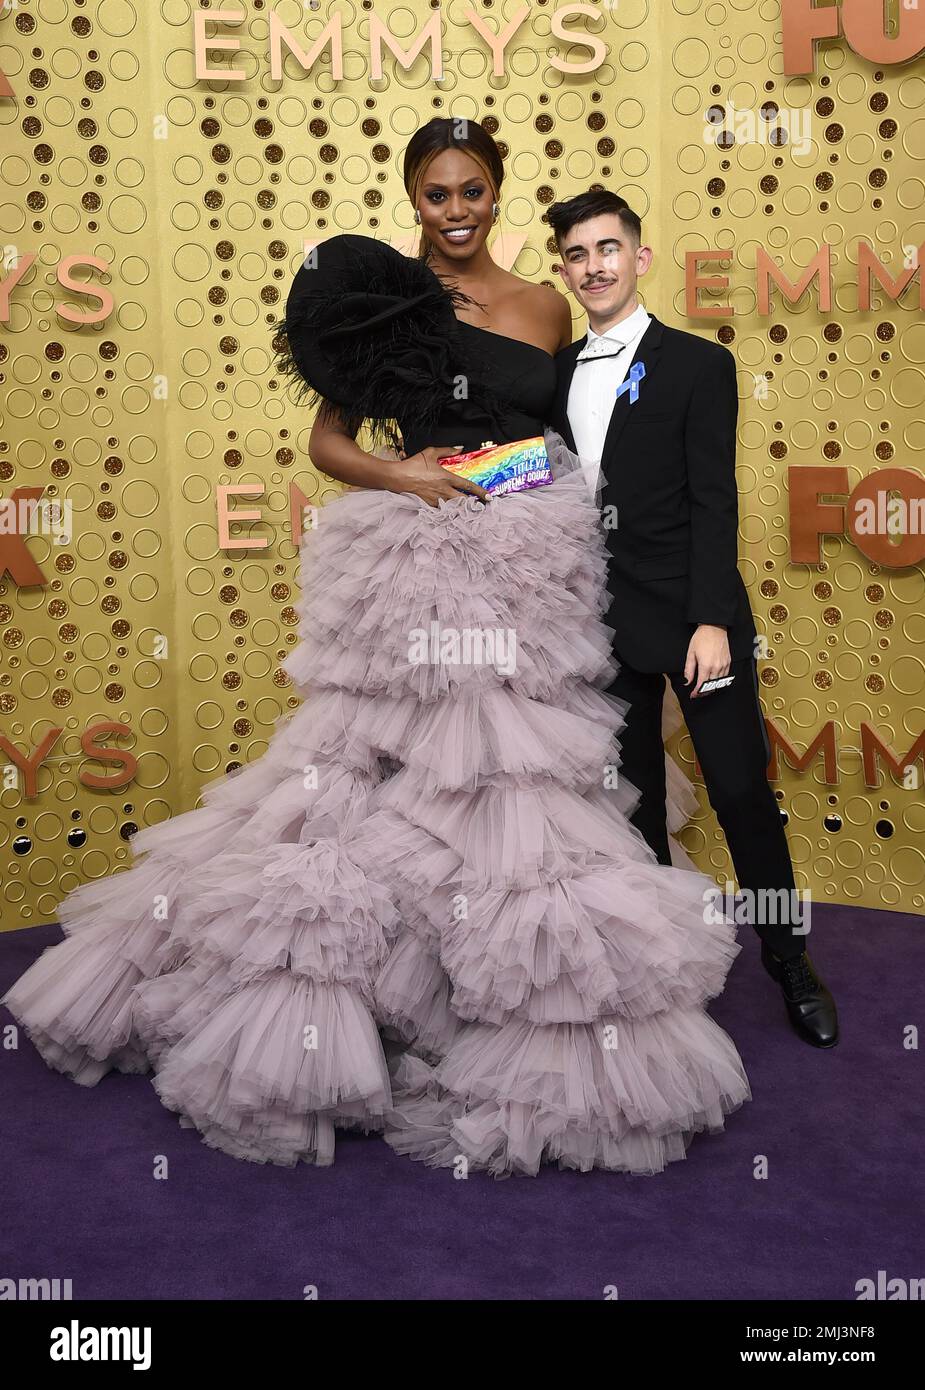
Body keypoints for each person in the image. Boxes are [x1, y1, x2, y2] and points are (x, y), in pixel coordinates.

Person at [2, 120, 751, 1175]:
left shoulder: (547, 303)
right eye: (437, 193)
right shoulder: (386, 299)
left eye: (473, 191)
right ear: (412, 198)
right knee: (390, 766)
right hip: (423, 547)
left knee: (523, 769)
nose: (456, 210)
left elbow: (577, 438)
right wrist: (408, 477)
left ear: (497, 194)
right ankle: (368, 994)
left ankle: (511, 980)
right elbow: (326, 440)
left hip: (536, 547)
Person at [547, 189, 839, 1050]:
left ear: (639, 258)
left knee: (742, 790)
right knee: (629, 803)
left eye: (608, 248)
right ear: (562, 269)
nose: (594, 265)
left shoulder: (698, 364)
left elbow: (717, 501)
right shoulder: (555, 373)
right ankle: (658, 970)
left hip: (692, 614)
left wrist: (711, 620)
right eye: (576, 253)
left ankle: (787, 956)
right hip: (602, 622)